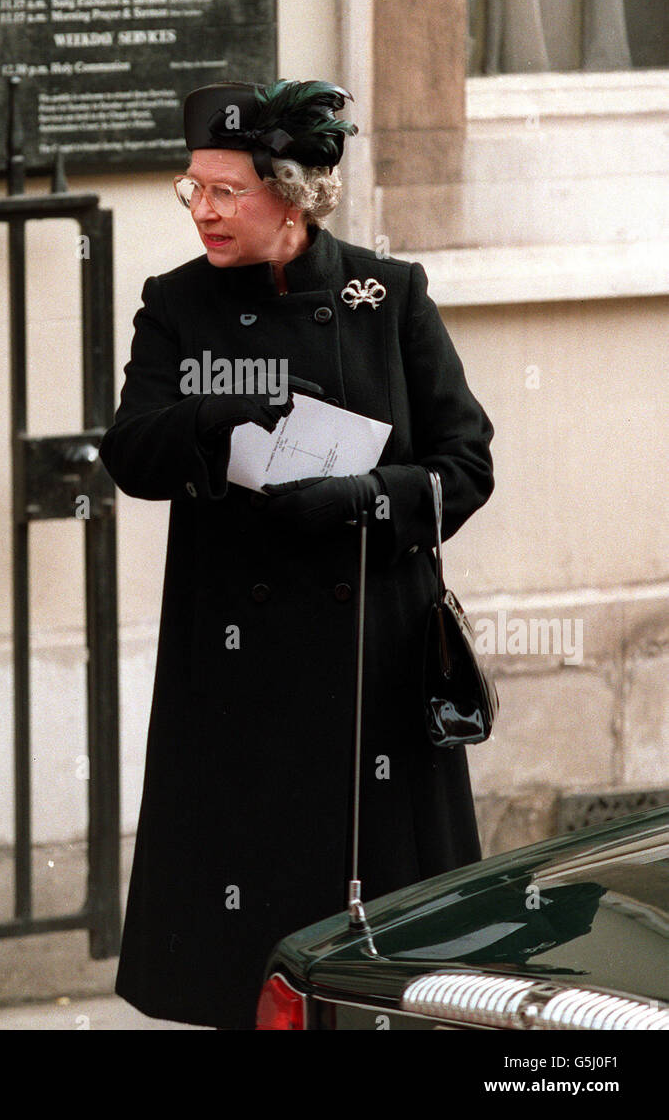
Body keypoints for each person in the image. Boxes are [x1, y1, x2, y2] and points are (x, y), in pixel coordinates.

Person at [99, 79, 495, 1030]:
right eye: (193, 188)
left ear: (292, 192)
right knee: (244, 949)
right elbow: (131, 452)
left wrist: (368, 497)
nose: (204, 209)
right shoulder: (178, 305)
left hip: (373, 669)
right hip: (236, 670)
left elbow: (465, 464)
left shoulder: (385, 295)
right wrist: (214, 415)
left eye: (226, 190)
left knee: (391, 950)